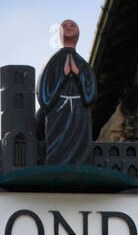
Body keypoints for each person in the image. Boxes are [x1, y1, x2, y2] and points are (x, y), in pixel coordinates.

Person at [36, 20, 97, 167]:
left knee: (79, 141)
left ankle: (81, 164)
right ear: (59, 33)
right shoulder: (53, 62)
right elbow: (44, 96)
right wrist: (62, 77)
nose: (69, 27)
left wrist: (78, 74)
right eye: (65, 26)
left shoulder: (83, 65)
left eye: (73, 25)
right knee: (58, 141)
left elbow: (90, 96)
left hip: (79, 114)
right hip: (58, 114)